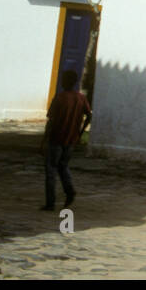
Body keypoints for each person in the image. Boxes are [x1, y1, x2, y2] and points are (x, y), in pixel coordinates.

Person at [40, 69, 92, 211]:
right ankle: (69, 191)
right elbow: (89, 115)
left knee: (51, 170)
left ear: (66, 81)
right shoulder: (81, 98)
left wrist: (44, 140)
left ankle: (50, 203)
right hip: (71, 139)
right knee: (63, 166)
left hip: (56, 138)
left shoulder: (60, 98)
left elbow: (51, 121)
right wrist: (80, 132)